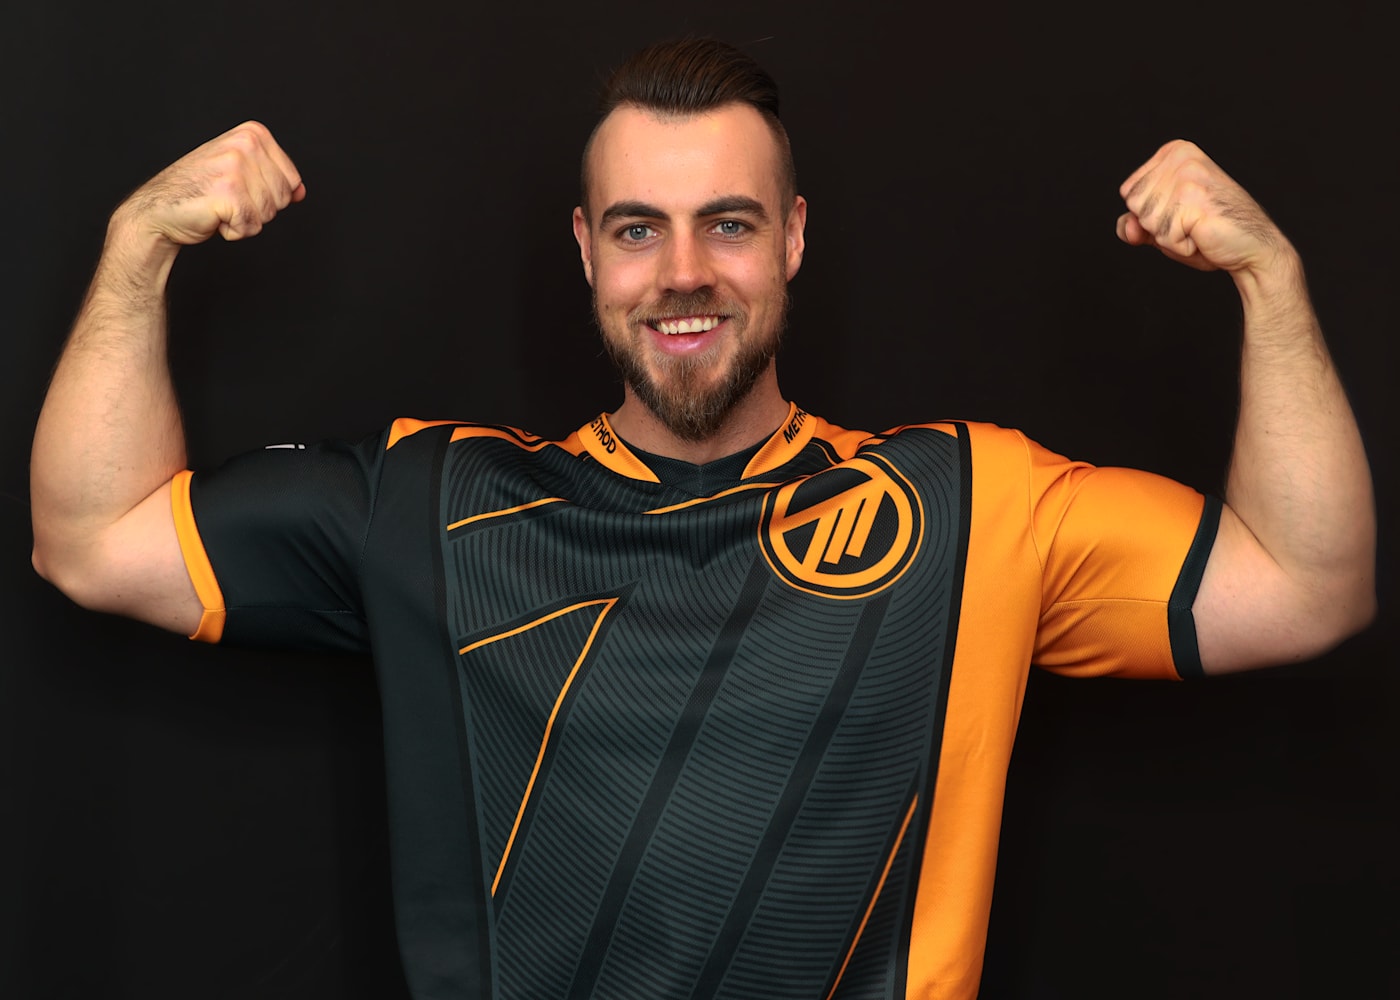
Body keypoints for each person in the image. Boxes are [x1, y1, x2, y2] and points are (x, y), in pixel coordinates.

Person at [29, 36, 1374, 1000]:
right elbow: (93, 538)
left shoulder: (972, 506)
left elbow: (1306, 584)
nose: (683, 273)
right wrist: (140, 243)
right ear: (584, 249)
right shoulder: (431, 503)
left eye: (728, 225)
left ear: (793, 238)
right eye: (638, 230)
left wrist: (1271, 279)